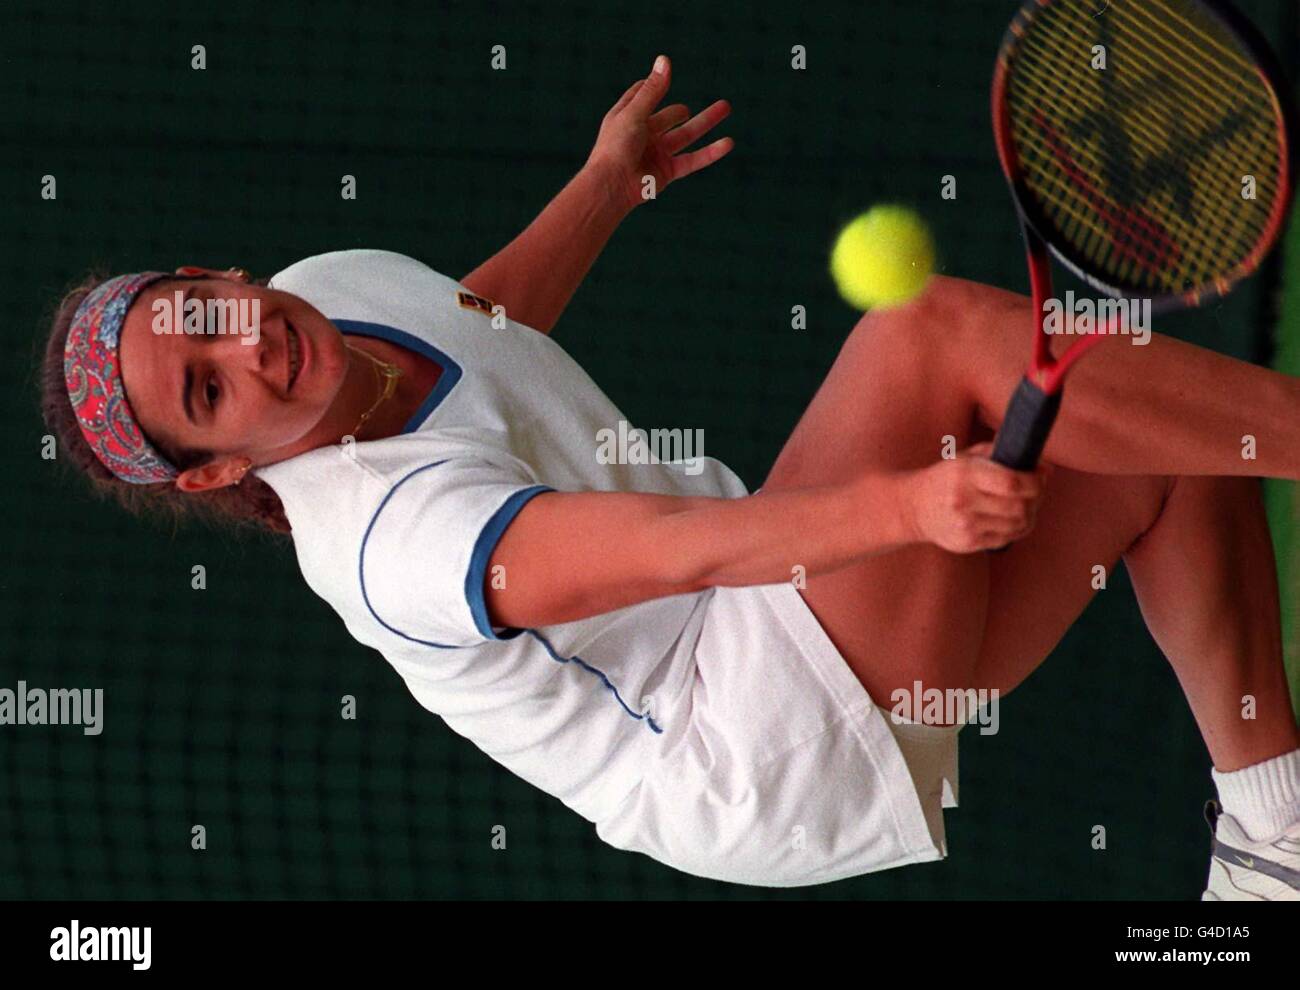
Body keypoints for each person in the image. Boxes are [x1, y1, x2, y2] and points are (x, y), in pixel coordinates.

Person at [41, 55, 1300, 895]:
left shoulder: (321, 289)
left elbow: (475, 324)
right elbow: (665, 548)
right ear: (212, 478)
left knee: (1164, 441)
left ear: (215, 271)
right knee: (919, 334)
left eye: (205, 311)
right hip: (746, 744)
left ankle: (1270, 847)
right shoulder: (390, 545)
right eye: (207, 395)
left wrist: (602, 191)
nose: (245, 349)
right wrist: (907, 508)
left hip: (776, 611)